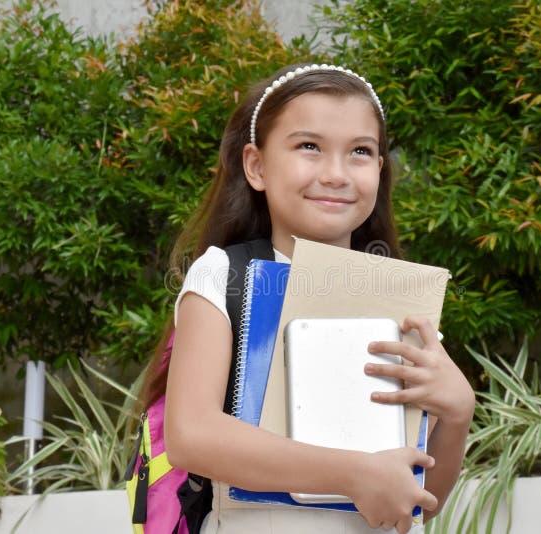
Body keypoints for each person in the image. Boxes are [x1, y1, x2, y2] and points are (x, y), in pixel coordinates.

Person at [162, 63, 475, 534]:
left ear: (379, 171)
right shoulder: (224, 275)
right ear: (257, 165)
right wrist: (352, 473)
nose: (335, 173)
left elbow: (420, 504)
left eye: (360, 152)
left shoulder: (398, 300)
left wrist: (458, 412)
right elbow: (191, 435)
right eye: (309, 146)